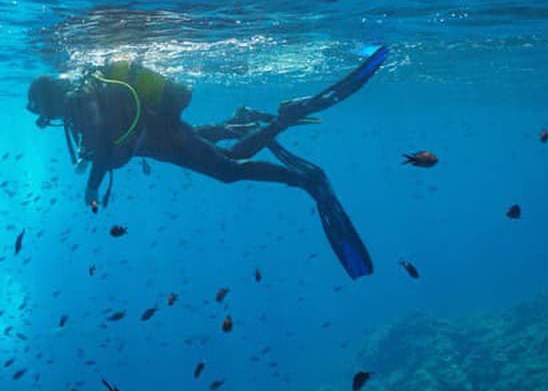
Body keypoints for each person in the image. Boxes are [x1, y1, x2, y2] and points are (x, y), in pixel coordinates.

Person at [26, 46, 389, 279]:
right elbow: (134, 136)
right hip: (164, 137)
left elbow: (105, 149)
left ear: (49, 100)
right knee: (223, 155)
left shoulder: (80, 103)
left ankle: (297, 151)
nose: (44, 117)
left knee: (230, 168)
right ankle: (245, 122)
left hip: (164, 138)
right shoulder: (86, 93)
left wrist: (91, 185)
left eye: (41, 109)